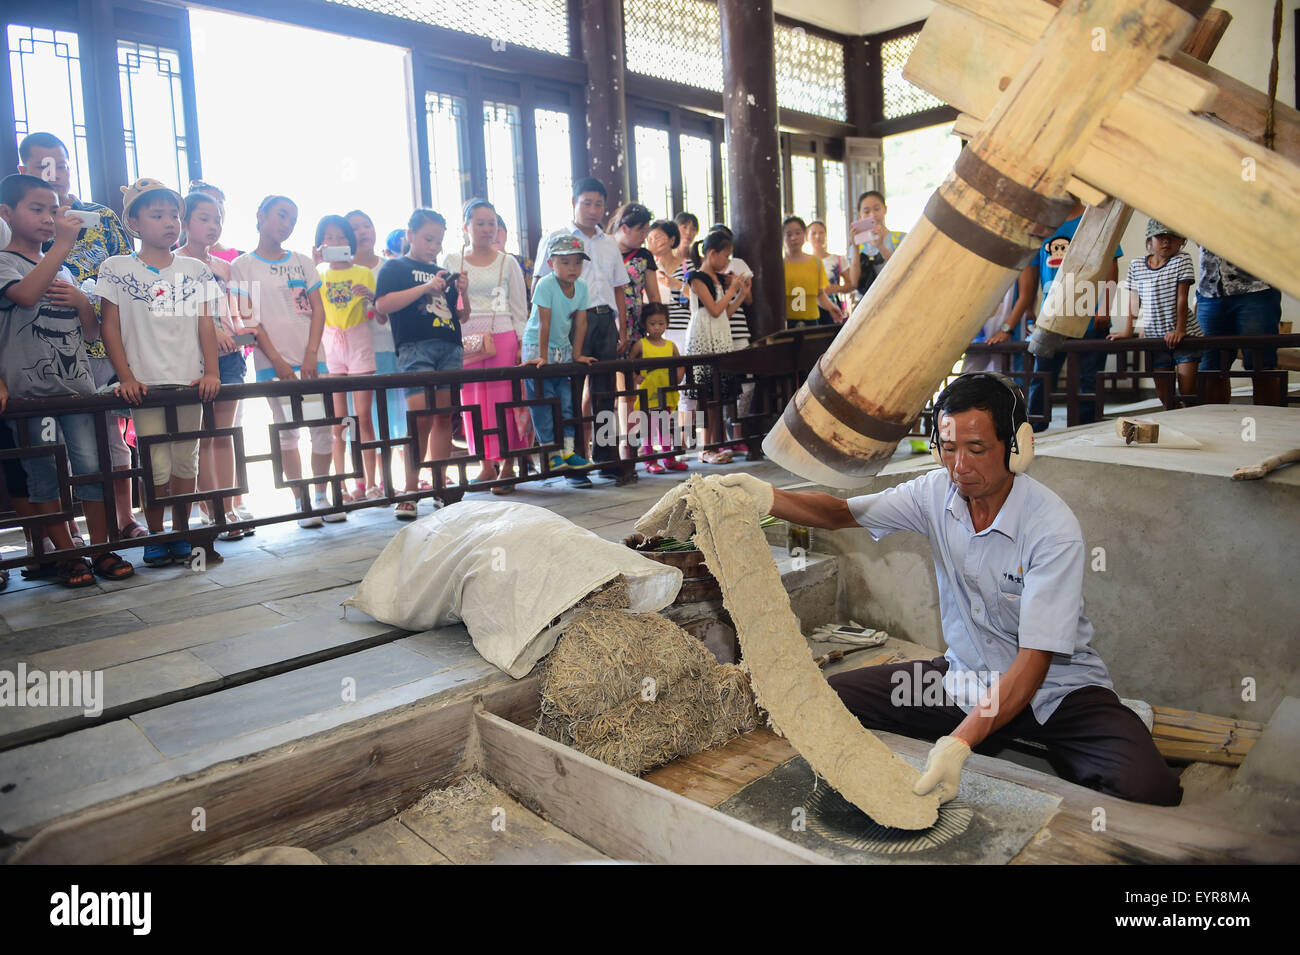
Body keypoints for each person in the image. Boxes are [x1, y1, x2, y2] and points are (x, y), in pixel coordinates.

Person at [719, 373, 1183, 807]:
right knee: (829, 700)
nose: (960, 466)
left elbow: (1034, 661)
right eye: (948, 447)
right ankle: (987, 735)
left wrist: (958, 744)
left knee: (1150, 787)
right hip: (963, 681)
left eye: (977, 448)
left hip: (1054, 691)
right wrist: (767, 498)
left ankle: (1090, 730)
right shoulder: (933, 493)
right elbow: (840, 513)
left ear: (1016, 446)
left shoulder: (1050, 529)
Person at [0, 173, 134, 585]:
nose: (47, 218)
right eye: (36, 209)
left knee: (94, 470)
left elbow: (91, 333)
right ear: (7, 213)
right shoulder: (5, 262)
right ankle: (68, 553)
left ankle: (100, 547)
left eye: (53, 210)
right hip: (32, 397)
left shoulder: (66, 273)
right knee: (43, 474)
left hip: (77, 391)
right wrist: (61, 245)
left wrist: (81, 304)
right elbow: (24, 295)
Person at [18, 131, 141, 544]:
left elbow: (127, 273)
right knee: (57, 448)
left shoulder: (101, 217)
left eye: (62, 164)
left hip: (103, 343)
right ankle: (67, 535)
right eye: (44, 166)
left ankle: (122, 520)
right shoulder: (22, 220)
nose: (56, 174)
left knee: (110, 440)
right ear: (25, 171)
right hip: (41, 352)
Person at [99, 178, 220, 568]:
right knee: (155, 463)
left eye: (174, 215)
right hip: (145, 385)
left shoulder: (195, 268)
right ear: (134, 222)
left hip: (189, 382)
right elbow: (109, 328)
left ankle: (182, 531)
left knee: (187, 459)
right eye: (157, 215)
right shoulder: (116, 268)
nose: (169, 222)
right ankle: (156, 534)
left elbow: (206, 323)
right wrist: (126, 377)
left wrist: (211, 372)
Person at [229, 195, 330, 528]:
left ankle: (321, 496)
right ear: (260, 216)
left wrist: (312, 353)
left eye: (292, 219)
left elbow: (318, 310)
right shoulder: (243, 265)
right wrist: (278, 361)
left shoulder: (302, 261)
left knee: (322, 429)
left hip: (313, 362)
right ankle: (301, 500)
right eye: (281, 215)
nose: (286, 224)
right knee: (288, 432)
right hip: (274, 365)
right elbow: (248, 319)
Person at [534, 177, 629, 487]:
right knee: (570, 393)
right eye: (586, 202)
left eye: (598, 203)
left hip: (604, 320)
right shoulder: (556, 236)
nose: (592, 209)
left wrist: (623, 329)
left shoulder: (609, 242)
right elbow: (539, 284)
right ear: (573, 204)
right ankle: (572, 463)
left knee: (605, 393)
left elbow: (619, 289)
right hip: (571, 320)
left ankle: (606, 456)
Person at [375, 208, 461, 519]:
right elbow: (382, 305)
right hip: (414, 348)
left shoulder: (442, 271)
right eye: (428, 238)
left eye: (438, 241)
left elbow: (459, 315)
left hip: (450, 346)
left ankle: (439, 485)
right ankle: (410, 491)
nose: (434, 246)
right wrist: (426, 287)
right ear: (409, 235)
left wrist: (458, 292)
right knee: (419, 418)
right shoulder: (395, 267)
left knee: (443, 417)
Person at [445, 199, 529, 492]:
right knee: (473, 404)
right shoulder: (452, 261)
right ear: (466, 227)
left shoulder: (508, 262)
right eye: (479, 223)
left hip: (502, 335)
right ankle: (484, 464)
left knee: (503, 402)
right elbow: (444, 305)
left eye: (491, 223)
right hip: (465, 340)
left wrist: (521, 342)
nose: (485, 229)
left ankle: (508, 464)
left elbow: (519, 307)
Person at [179, 190, 247, 540]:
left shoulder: (226, 266)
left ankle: (230, 507)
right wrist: (215, 330)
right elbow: (175, 314)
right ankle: (211, 509)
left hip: (230, 358)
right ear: (185, 221)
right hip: (194, 359)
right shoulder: (174, 262)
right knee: (204, 437)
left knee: (225, 433)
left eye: (217, 218)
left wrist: (240, 331)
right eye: (203, 218)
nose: (212, 225)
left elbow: (238, 311)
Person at [1023, 199, 1121, 430]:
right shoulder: (1043, 227)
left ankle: (1085, 428)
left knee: (1088, 378)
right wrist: (1029, 308)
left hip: (1089, 313)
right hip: (1051, 315)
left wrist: (1105, 306)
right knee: (1042, 374)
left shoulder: (1095, 220)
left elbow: (1111, 265)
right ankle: (1033, 429)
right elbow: (1031, 268)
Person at [315, 214, 377, 508]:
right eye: (329, 237)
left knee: (364, 418)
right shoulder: (318, 272)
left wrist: (372, 298)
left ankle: (371, 483)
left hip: (359, 340)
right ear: (321, 242)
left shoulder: (364, 272)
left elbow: (378, 314)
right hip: (331, 343)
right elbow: (307, 307)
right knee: (337, 421)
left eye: (341, 237)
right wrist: (314, 263)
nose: (336, 242)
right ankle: (339, 484)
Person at [521, 233, 595, 472]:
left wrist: (577, 354)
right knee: (543, 400)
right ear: (551, 263)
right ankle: (550, 453)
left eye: (577, 262)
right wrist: (542, 356)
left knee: (566, 400)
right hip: (537, 345)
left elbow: (581, 323)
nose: (572, 268)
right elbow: (544, 323)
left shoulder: (582, 286)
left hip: (562, 347)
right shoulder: (545, 284)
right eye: (565, 262)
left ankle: (568, 450)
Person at [1108, 219, 1201, 409]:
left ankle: (1192, 427)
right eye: (1161, 237)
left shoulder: (1181, 260)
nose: (1166, 242)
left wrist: (1180, 330)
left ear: (1182, 241)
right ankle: (1177, 427)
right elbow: (1134, 301)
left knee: (1188, 392)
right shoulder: (1137, 265)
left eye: (1172, 237)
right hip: (1155, 337)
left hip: (1185, 336)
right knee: (1164, 395)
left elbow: (1182, 298)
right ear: (1150, 241)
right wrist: (1128, 332)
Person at [346, 209, 406, 495]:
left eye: (366, 225)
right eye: (355, 227)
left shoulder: (390, 268)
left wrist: (374, 300)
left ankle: (387, 480)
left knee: (391, 419)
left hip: (387, 349)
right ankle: (361, 479)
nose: (362, 231)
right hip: (353, 354)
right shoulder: (338, 270)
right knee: (358, 419)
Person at [686, 230, 749, 464]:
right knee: (707, 395)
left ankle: (717, 444)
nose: (727, 262)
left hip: (720, 336)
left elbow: (725, 312)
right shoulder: (696, 277)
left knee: (718, 395)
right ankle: (707, 447)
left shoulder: (717, 279)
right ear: (712, 254)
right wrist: (733, 290)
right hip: (705, 338)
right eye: (725, 256)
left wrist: (741, 295)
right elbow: (713, 309)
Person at [1196, 250, 1284, 407]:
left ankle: (1268, 426)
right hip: (1210, 289)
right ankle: (1215, 429)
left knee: (1262, 366)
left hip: (1257, 286)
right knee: (1210, 369)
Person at [608, 202, 660, 463]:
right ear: (624, 227)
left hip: (636, 326)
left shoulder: (644, 256)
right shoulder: (603, 248)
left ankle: (629, 448)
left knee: (632, 388)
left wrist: (656, 327)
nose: (644, 236)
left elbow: (653, 296)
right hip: (606, 325)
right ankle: (594, 449)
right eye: (641, 230)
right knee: (598, 389)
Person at [629, 303, 685, 473]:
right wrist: (636, 377)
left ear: (666, 323)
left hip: (666, 392)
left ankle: (669, 458)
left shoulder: (671, 345)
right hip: (648, 393)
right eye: (652, 323)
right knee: (648, 427)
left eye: (661, 323)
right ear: (645, 324)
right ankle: (649, 460)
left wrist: (678, 377)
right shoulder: (641, 344)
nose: (657, 327)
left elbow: (680, 362)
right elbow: (629, 363)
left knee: (665, 426)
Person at [782, 216, 842, 328]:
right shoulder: (779, 265)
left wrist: (831, 307)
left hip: (812, 321)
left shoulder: (816, 262)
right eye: (789, 234)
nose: (793, 237)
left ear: (804, 235)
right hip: (787, 322)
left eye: (797, 233)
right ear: (783, 237)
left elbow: (820, 294)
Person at [848, 190, 905, 302]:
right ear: (860, 215)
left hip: (896, 298)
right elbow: (854, 282)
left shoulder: (900, 238)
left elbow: (902, 269)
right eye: (866, 211)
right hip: (866, 303)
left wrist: (880, 246)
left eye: (877, 209)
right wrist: (855, 248)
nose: (872, 215)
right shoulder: (857, 246)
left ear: (885, 209)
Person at [648, 218, 689, 353]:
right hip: (656, 330)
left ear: (672, 240)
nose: (653, 242)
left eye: (658, 237)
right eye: (650, 239)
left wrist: (677, 285)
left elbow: (698, 296)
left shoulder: (686, 266)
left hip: (683, 328)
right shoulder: (649, 267)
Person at [186, 180, 240, 262]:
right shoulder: (171, 252)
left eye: (219, 202)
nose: (216, 207)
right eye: (208, 200)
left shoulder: (238, 258)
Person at [808, 219, 850, 322]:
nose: (817, 236)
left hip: (833, 306)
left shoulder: (838, 259)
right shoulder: (803, 262)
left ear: (826, 235)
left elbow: (852, 284)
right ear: (807, 237)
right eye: (813, 233)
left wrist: (837, 288)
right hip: (809, 308)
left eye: (821, 232)